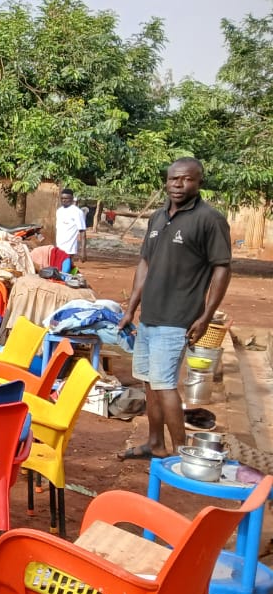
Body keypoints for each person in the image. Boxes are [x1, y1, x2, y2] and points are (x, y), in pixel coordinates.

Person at [117, 158, 231, 461]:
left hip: (178, 317)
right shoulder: (157, 217)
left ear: (199, 182)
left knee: (165, 385)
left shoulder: (210, 219)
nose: (178, 185)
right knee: (149, 383)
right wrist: (131, 309)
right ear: (166, 182)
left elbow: (222, 268)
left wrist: (206, 316)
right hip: (149, 316)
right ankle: (155, 444)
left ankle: (183, 455)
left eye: (186, 179)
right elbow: (145, 264)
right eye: (173, 179)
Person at [54, 187, 88, 271]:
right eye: (62, 198)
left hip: (69, 249)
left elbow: (82, 232)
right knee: (58, 270)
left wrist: (83, 251)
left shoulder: (77, 212)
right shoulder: (59, 211)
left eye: (66, 198)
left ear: (72, 199)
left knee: (65, 271)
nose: (64, 200)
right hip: (59, 247)